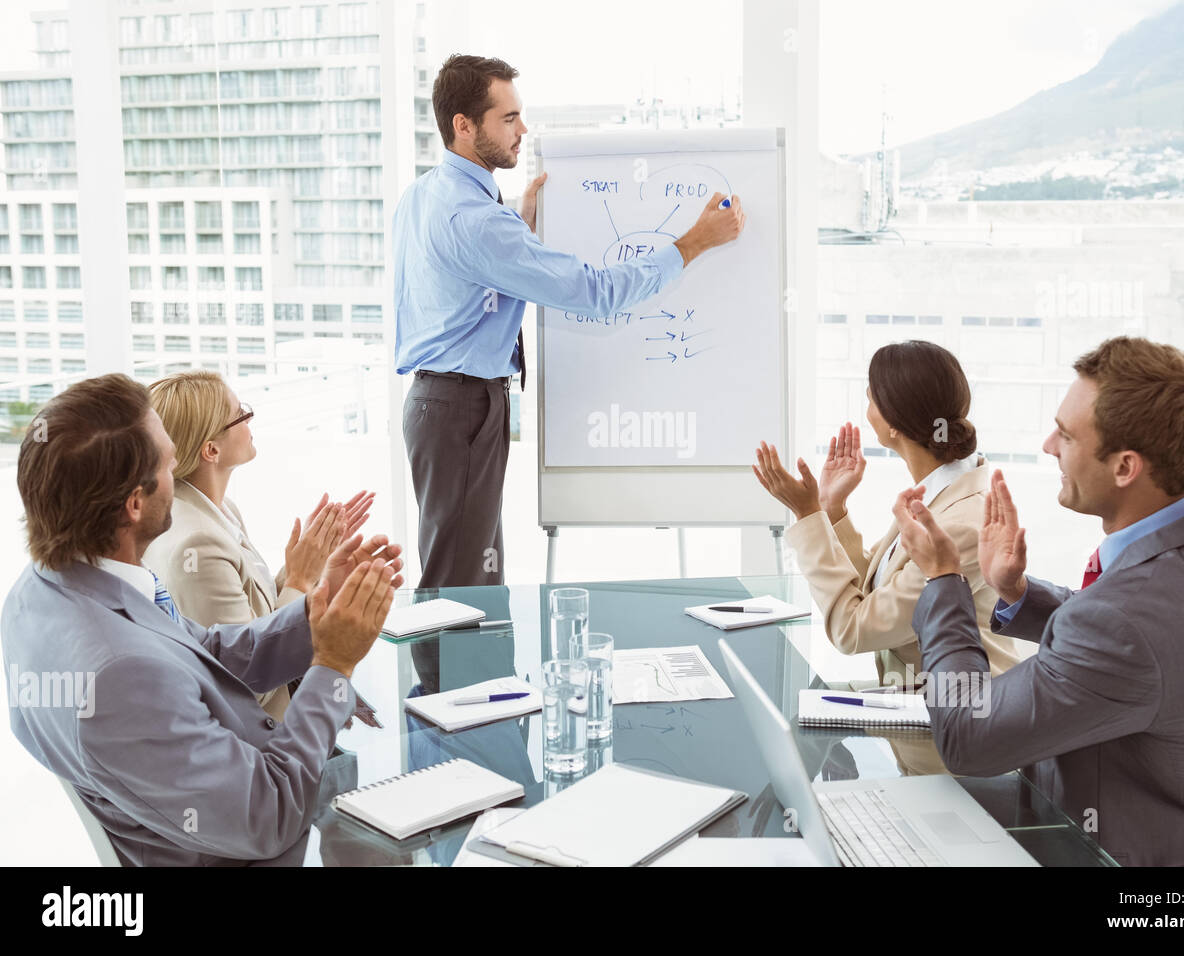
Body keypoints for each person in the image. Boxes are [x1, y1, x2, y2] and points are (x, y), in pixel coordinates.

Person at [893, 336, 1184, 866]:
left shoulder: (1125, 622)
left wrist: (945, 580)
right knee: (899, 807)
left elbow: (968, 738)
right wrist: (1017, 591)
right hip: (1182, 826)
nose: (1047, 446)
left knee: (887, 814)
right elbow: (1147, 641)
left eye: (1065, 434)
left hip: (1106, 849)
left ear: (1126, 467)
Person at [2, 374, 404, 865]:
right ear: (135, 503)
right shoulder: (119, 677)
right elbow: (270, 817)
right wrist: (334, 666)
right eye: (171, 466)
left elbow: (204, 652)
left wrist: (312, 616)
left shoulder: (44, 589)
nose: (181, 477)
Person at [393, 54, 745, 588]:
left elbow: (458, 284)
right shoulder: (479, 222)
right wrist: (694, 242)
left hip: (438, 405)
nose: (522, 130)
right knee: (463, 587)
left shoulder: (422, 196)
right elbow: (596, 294)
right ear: (464, 126)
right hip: (462, 409)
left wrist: (520, 223)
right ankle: (452, 677)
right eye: (507, 118)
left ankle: (461, 674)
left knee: (464, 574)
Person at [753, 340, 1025, 691]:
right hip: (917, 698)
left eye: (870, 398)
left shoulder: (959, 525)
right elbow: (880, 591)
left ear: (895, 423)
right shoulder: (940, 494)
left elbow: (853, 630)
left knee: (792, 705)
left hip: (962, 720)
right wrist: (832, 510)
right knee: (799, 703)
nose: (866, 409)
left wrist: (808, 514)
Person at [144, 370, 374, 721]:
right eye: (241, 413)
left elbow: (254, 617)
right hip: (264, 744)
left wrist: (311, 563)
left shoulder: (215, 509)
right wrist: (299, 579)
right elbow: (250, 684)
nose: (250, 418)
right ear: (211, 450)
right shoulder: (198, 543)